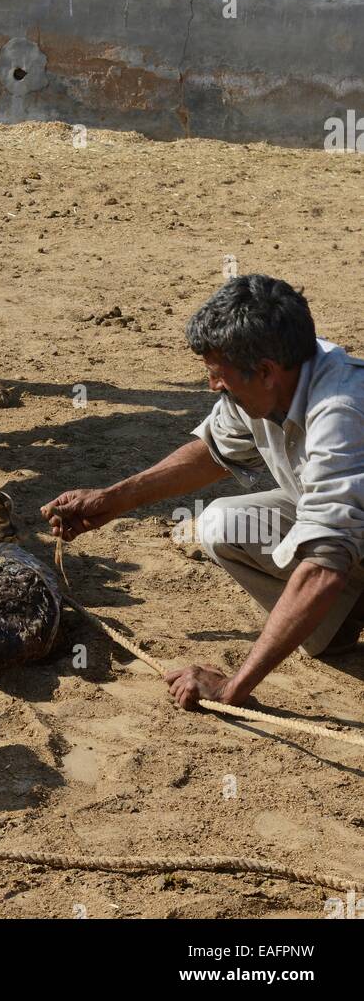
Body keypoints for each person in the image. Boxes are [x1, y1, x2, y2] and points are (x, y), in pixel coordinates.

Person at [41, 274, 364, 710]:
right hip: (350, 535)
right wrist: (111, 500)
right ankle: (336, 623)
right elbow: (212, 453)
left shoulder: (339, 412)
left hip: (344, 546)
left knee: (323, 563)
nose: (213, 386)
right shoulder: (276, 372)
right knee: (220, 523)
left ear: (266, 371)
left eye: (219, 376)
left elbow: (324, 565)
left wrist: (232, 689)